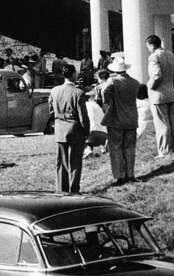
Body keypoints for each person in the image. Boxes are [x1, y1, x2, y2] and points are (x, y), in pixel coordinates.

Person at [95, 56, 140, 184]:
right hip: (131, 118)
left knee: (116, 148)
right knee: (130, 148)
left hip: (116, 118)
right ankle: (130, 174)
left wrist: (108, 102)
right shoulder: (135, 83)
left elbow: (103, 93)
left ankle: (120, 176)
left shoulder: (112, 81)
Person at [49, 64, 89, 193]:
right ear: (73, 74)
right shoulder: (78, 93)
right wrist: (86, 131)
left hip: (60, 128)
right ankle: (74, 189)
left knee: (61, 162)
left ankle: (61, 190)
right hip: (75, 128)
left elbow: (50, 110)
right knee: (75, 162)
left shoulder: (54, 91)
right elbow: (83, 116)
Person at [145, 34, 174, 157]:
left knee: (162, 123)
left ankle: (163, 151)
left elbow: (156, 75)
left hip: (158, 94)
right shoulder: (170, 54)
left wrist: (150, 86)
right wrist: (171, 82)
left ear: (151, 45)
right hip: (170, 93)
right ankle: (172, 147)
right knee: (171, 122)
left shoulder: (153, 57)